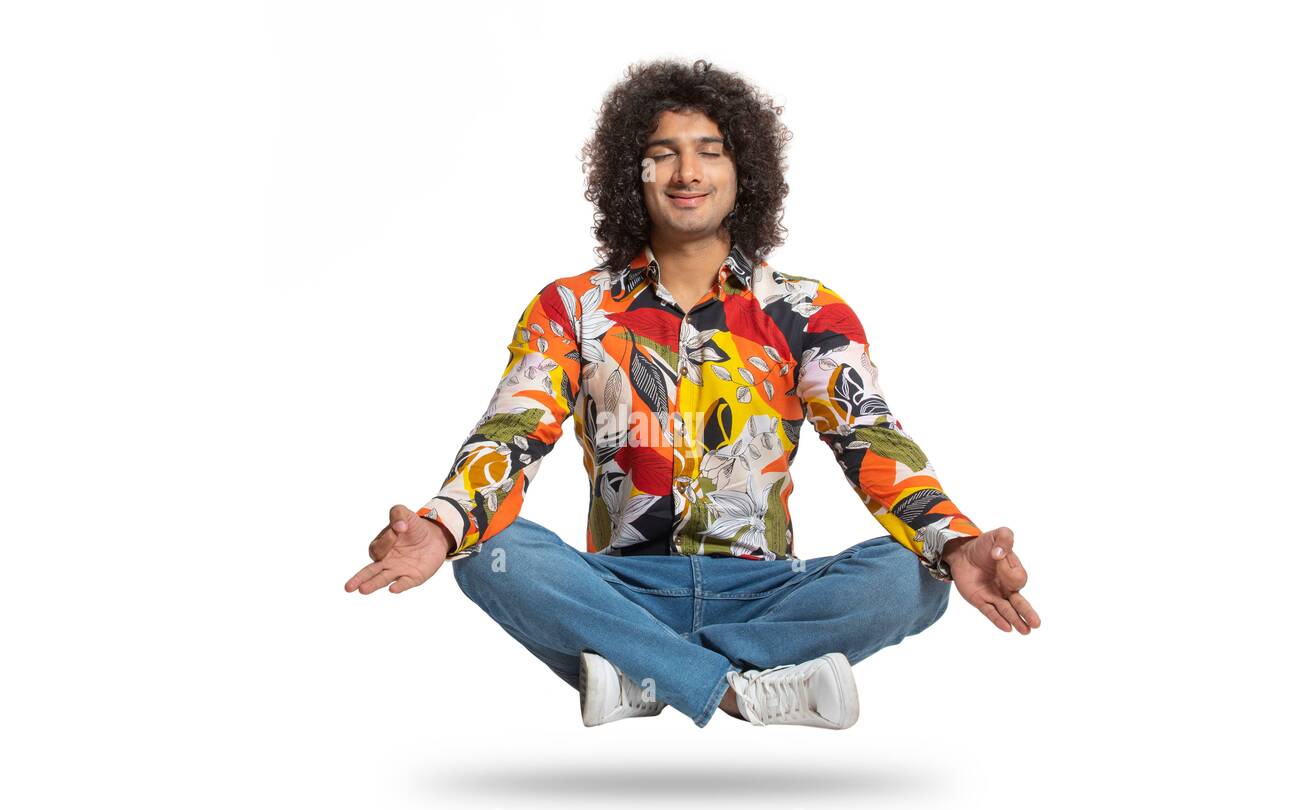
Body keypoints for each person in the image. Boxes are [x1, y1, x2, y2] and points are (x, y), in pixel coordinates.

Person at [344, 58, 1041, 730]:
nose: (686, 172)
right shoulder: (572, 308)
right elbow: (512, 434)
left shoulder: (807, 311)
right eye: (662, 153)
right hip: (619, 590)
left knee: (910, 570)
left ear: (744, 172)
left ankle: (642, 677)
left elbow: (872, 441)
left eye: (710, 151)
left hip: (768, 593)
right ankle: (739, 690)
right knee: (493, 553)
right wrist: (440, 526)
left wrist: (957, 543)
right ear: (632, 173)